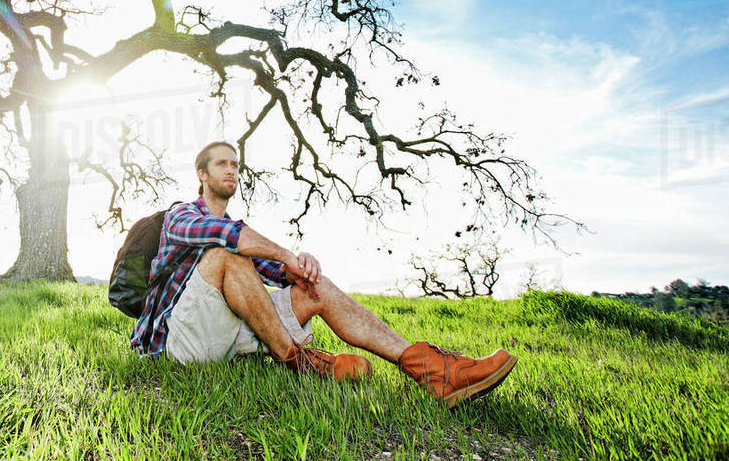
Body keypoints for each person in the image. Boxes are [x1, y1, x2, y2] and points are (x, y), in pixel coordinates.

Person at [130, 140, 517, 407]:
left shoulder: (239, 236)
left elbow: (277, 271)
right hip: (177, 345)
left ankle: (431, 369)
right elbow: (228, 238)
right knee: (226, 254)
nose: (232, 169)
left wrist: (301, 265)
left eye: (235, 164)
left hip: (222, 340)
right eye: (222, 163)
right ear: (201, 174)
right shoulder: (181, 214)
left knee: (315, 287)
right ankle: (301, 361)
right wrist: (285, 253)